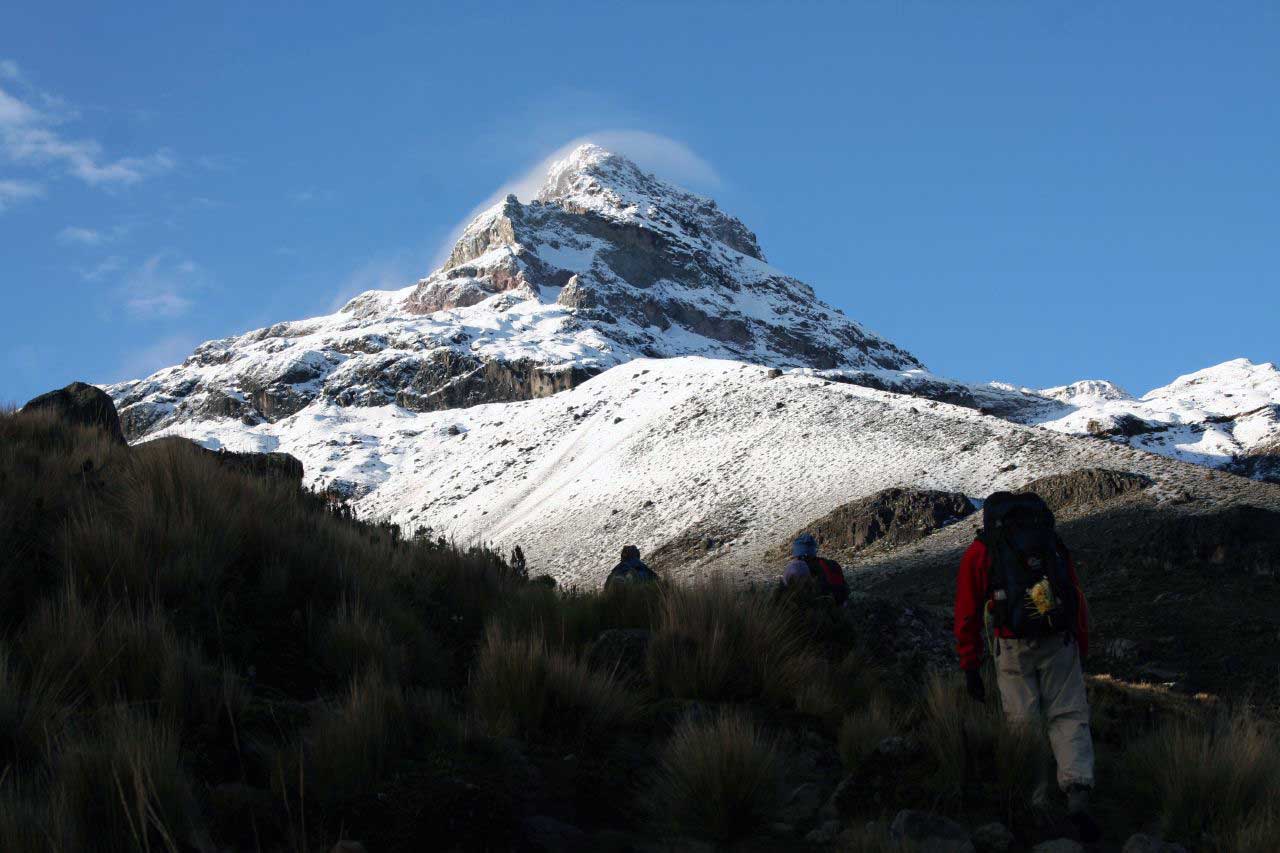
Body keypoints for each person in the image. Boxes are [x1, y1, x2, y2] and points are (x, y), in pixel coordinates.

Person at [954, 491, 1098, 841]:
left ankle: (1034, 799)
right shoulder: (1050, 542)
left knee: (1022, 718)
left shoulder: (983, 549)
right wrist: (1081, 644)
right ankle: (1077, 788)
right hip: (1059, 640)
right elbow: (1073, 594)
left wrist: (970, 665)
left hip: (1012, 644)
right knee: (1067, 713)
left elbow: (967, 610)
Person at [782, 533, 849, 605]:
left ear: (796, 552)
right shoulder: (830, 563)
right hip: (839, 606)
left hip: (817, 610)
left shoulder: (797, 567)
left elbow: (784, 590)